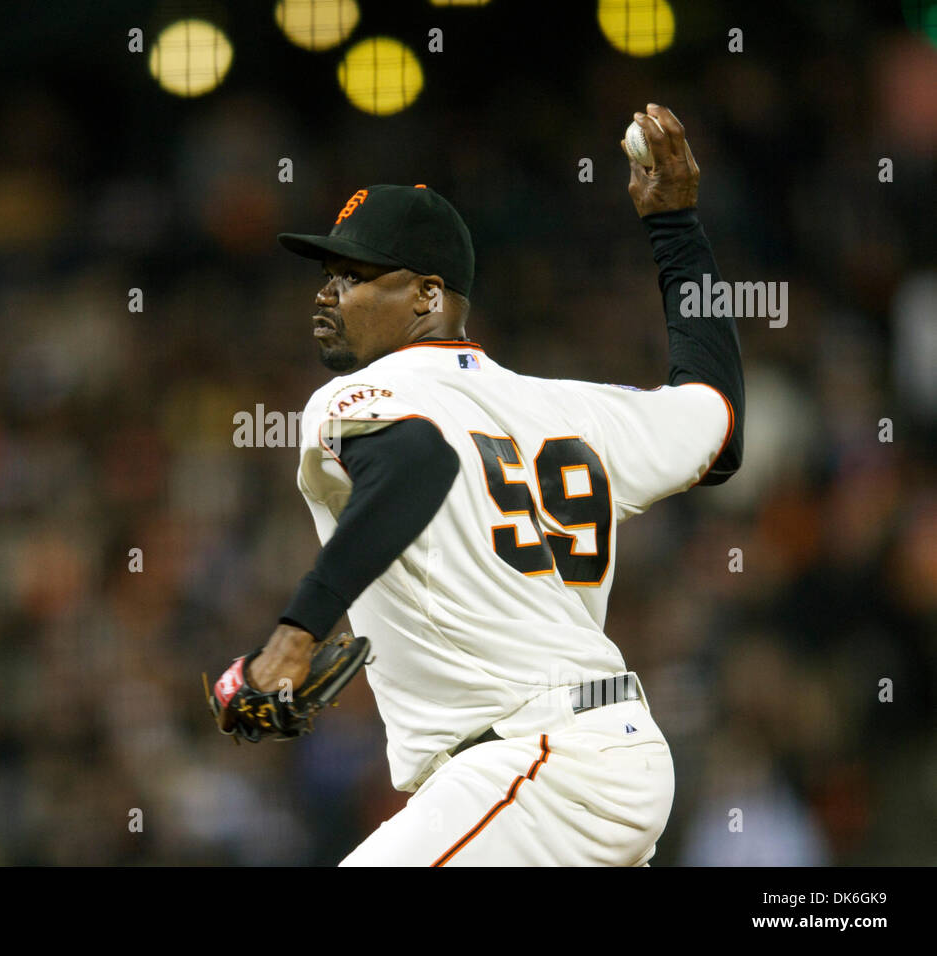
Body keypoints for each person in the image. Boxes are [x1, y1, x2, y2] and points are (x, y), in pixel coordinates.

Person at [245, 104, 742, 865]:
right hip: (592, 759)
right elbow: (720, 421)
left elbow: (418, 469)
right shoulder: (573, 410)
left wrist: (295, 631)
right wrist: (676, 230)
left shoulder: (362, 397)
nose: (325, 293)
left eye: (353, 275)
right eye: (326, 275)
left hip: (538, 764)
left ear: (427, 297)